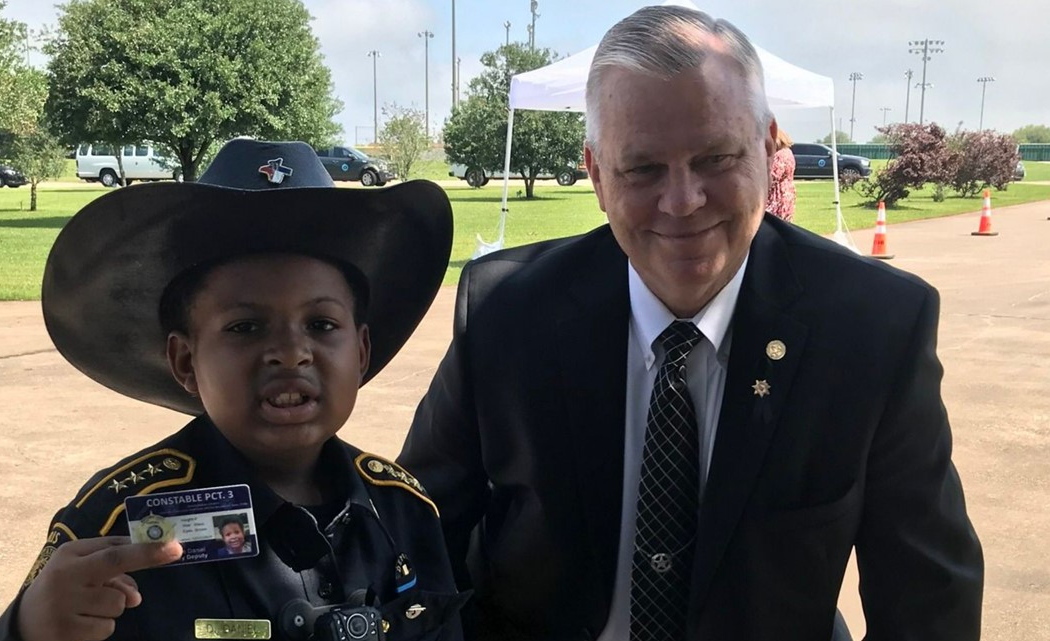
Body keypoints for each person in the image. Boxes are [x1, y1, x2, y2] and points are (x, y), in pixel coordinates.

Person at [399, 6, 983, 641]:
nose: (683, 202)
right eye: (643, 169)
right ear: (596, 175)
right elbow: (416, 538)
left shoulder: (873, 328)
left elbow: (929, 603)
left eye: (716, 158)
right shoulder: (504, 312)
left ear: (767, 149)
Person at [0, 139, 467, 641]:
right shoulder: (117, 523)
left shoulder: (403, 510)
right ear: (185, 361)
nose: (291, 352)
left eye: (321, 324)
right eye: (245, 328)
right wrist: (28, 627)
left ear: (362, 352)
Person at [766, 127, 797, 222]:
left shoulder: (781, 155)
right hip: (785, 196)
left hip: (778, 198)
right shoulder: (788, 153)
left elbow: (772, 177)